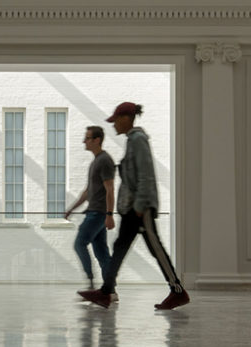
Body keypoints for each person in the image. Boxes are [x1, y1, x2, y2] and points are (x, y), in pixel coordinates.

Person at [78, 102, 189, 311]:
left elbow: (146, 175)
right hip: (131, 208)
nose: (114, 125)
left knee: (156, 249)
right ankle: (106, 292)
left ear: (126, 118)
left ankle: (178, 291)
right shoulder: (131, 141)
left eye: (116, 120)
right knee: (119, 248)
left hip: (140, 208)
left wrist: (139, 206)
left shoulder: (138, 140)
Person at [63, 124, 116, 294]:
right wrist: (71, 209)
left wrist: (109, 215)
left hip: (97, 213)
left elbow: (110, 189)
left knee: (80, 244)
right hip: (96, 212)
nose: (84, 141)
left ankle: (91, 282)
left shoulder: (105, 160)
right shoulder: (96, 162)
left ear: (97, 140)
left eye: (87, 138)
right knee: (101, 253)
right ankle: (110, 291)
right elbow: (87, 192)